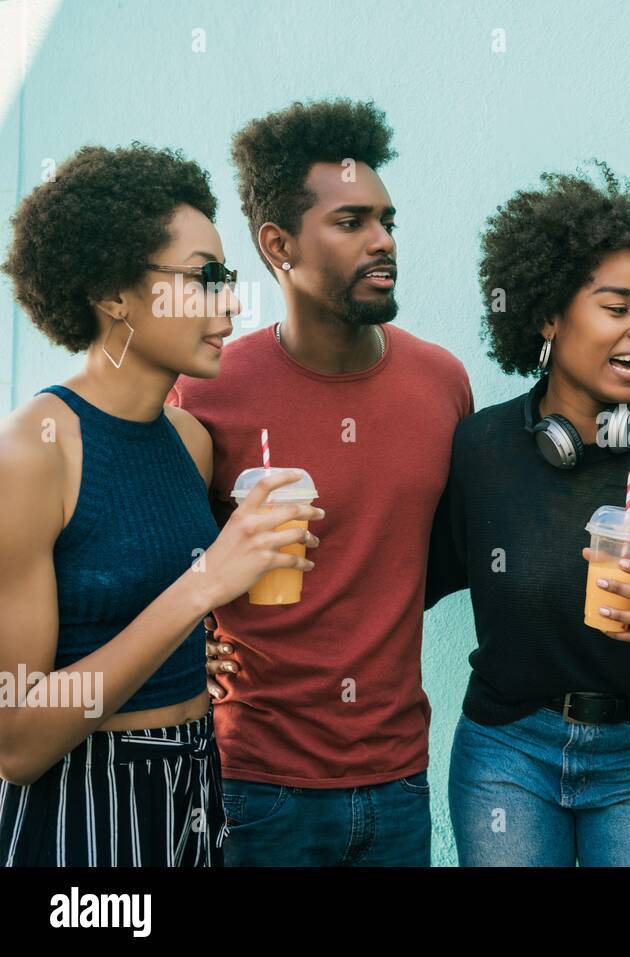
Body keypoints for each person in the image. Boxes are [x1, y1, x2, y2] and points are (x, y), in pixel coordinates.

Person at [426, 163, 630, 866]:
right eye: (618, 306)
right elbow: (403, 579)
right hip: (504, 753)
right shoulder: (482, 446)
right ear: (548, 313)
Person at [0, 144, 320, 866]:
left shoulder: (191, 440)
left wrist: (199, 642)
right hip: (80, 807)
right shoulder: (32, 455)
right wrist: (206, 581)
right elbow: (16, 742)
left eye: (227, 277)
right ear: (113, 294)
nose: (232, 302)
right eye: (204, 278)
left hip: (199, 787)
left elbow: (144, 609)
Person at [174, 100, 471, 866]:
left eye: (388, 219)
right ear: (279, 244)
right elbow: (155, 560)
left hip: (402, 780)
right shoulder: (206, 390)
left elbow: (430, 557)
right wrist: (186, 642)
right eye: (352, 223)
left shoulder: (441, 383)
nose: (384, 241)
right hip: (255, 787)